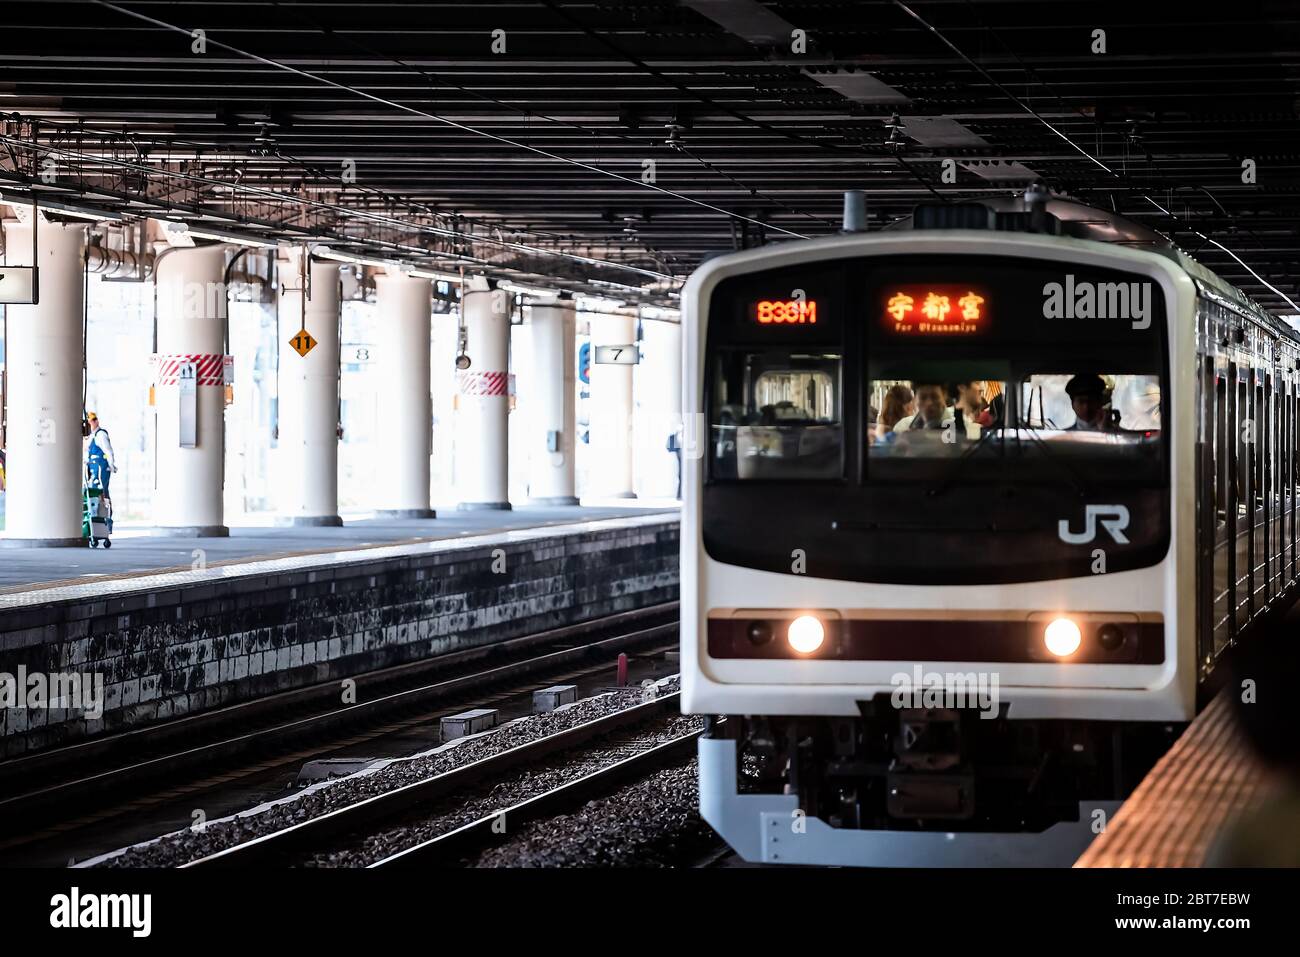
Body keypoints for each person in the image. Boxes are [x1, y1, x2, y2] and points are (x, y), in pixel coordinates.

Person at [85, 411, 118, 495]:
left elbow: (108, 450)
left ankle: (106, 507)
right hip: (93, 469)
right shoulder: (91, 436)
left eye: (91, 422)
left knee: (102, 491)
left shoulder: (101, 435)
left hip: (101, 468)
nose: (90, 424)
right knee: (94, 491)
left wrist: (111, 464)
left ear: (96, 421)